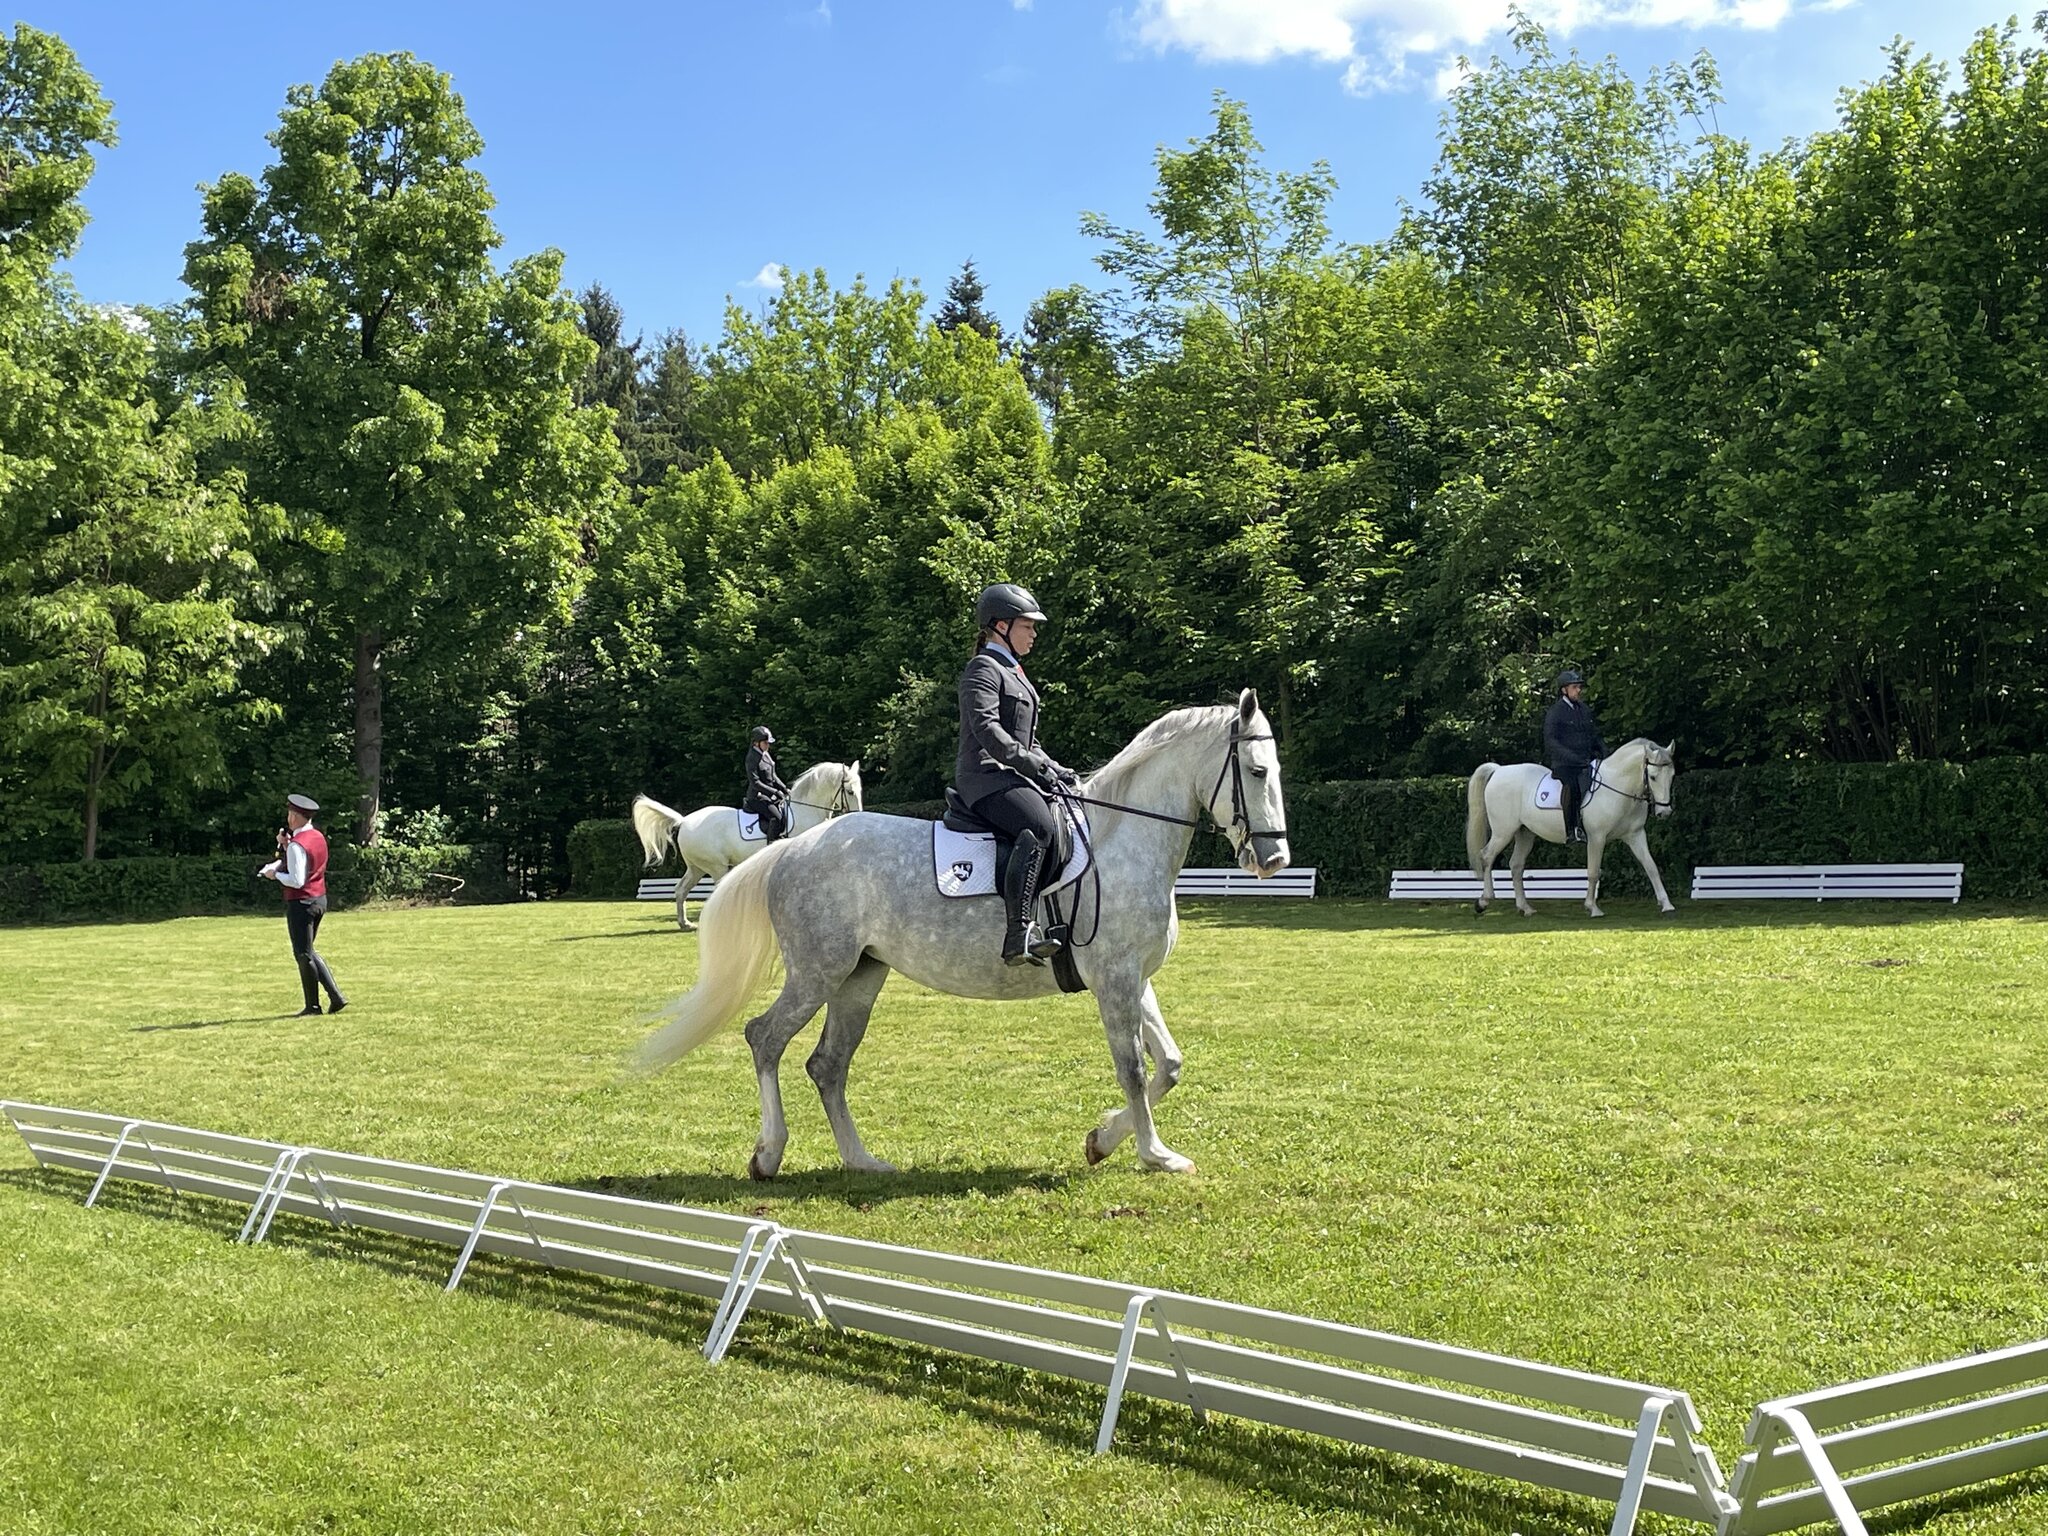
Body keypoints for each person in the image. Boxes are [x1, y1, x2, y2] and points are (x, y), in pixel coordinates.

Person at [955, 581, 1078, 966]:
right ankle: (1018, 932)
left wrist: (1056, 769)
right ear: (1001, 626)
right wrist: (1034, 767)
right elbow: (989, 733)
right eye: (1028, 626)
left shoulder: (1016, 673)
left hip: (1012, 774)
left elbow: (1030, 741)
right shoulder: (983, 669)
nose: (1034, 634)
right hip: (985, 777)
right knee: (1039, 824)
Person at [258, 792, 347, 1017]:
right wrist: (286, 846)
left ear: (296, 816)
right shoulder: (316, 837)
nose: (288, 817)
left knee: (303, 954)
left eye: (290, 813)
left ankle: (314, 1006)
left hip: (302, 901)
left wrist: (273, 874)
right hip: (319, 898)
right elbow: (307, 865)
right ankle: (335, 997)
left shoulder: (298, 844)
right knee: (308, 951)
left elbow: (297, 879)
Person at [1542, 669, 1606, 844]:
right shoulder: (1556, 712)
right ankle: (1572, 829)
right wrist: (1572, 757)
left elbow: (1594, 736)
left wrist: (1604, 753)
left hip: (1585, 760)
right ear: (1564, 690)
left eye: (1579, 687)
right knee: (1572, 786)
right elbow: (1551, 741)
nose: (1579, 690)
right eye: (1575, 687)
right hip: (1565, 764)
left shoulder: (1584, 710)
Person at [742, 725, 791, 842]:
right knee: (777, 818)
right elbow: (755, 783)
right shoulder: (752, 758)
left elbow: (773, 776)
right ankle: (771, 845)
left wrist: (785, 789)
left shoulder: (765, 754)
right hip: (757, 797)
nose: (768, 745)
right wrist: (775, 791)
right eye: (765, 742)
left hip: (769, 795)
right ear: (756, 743)